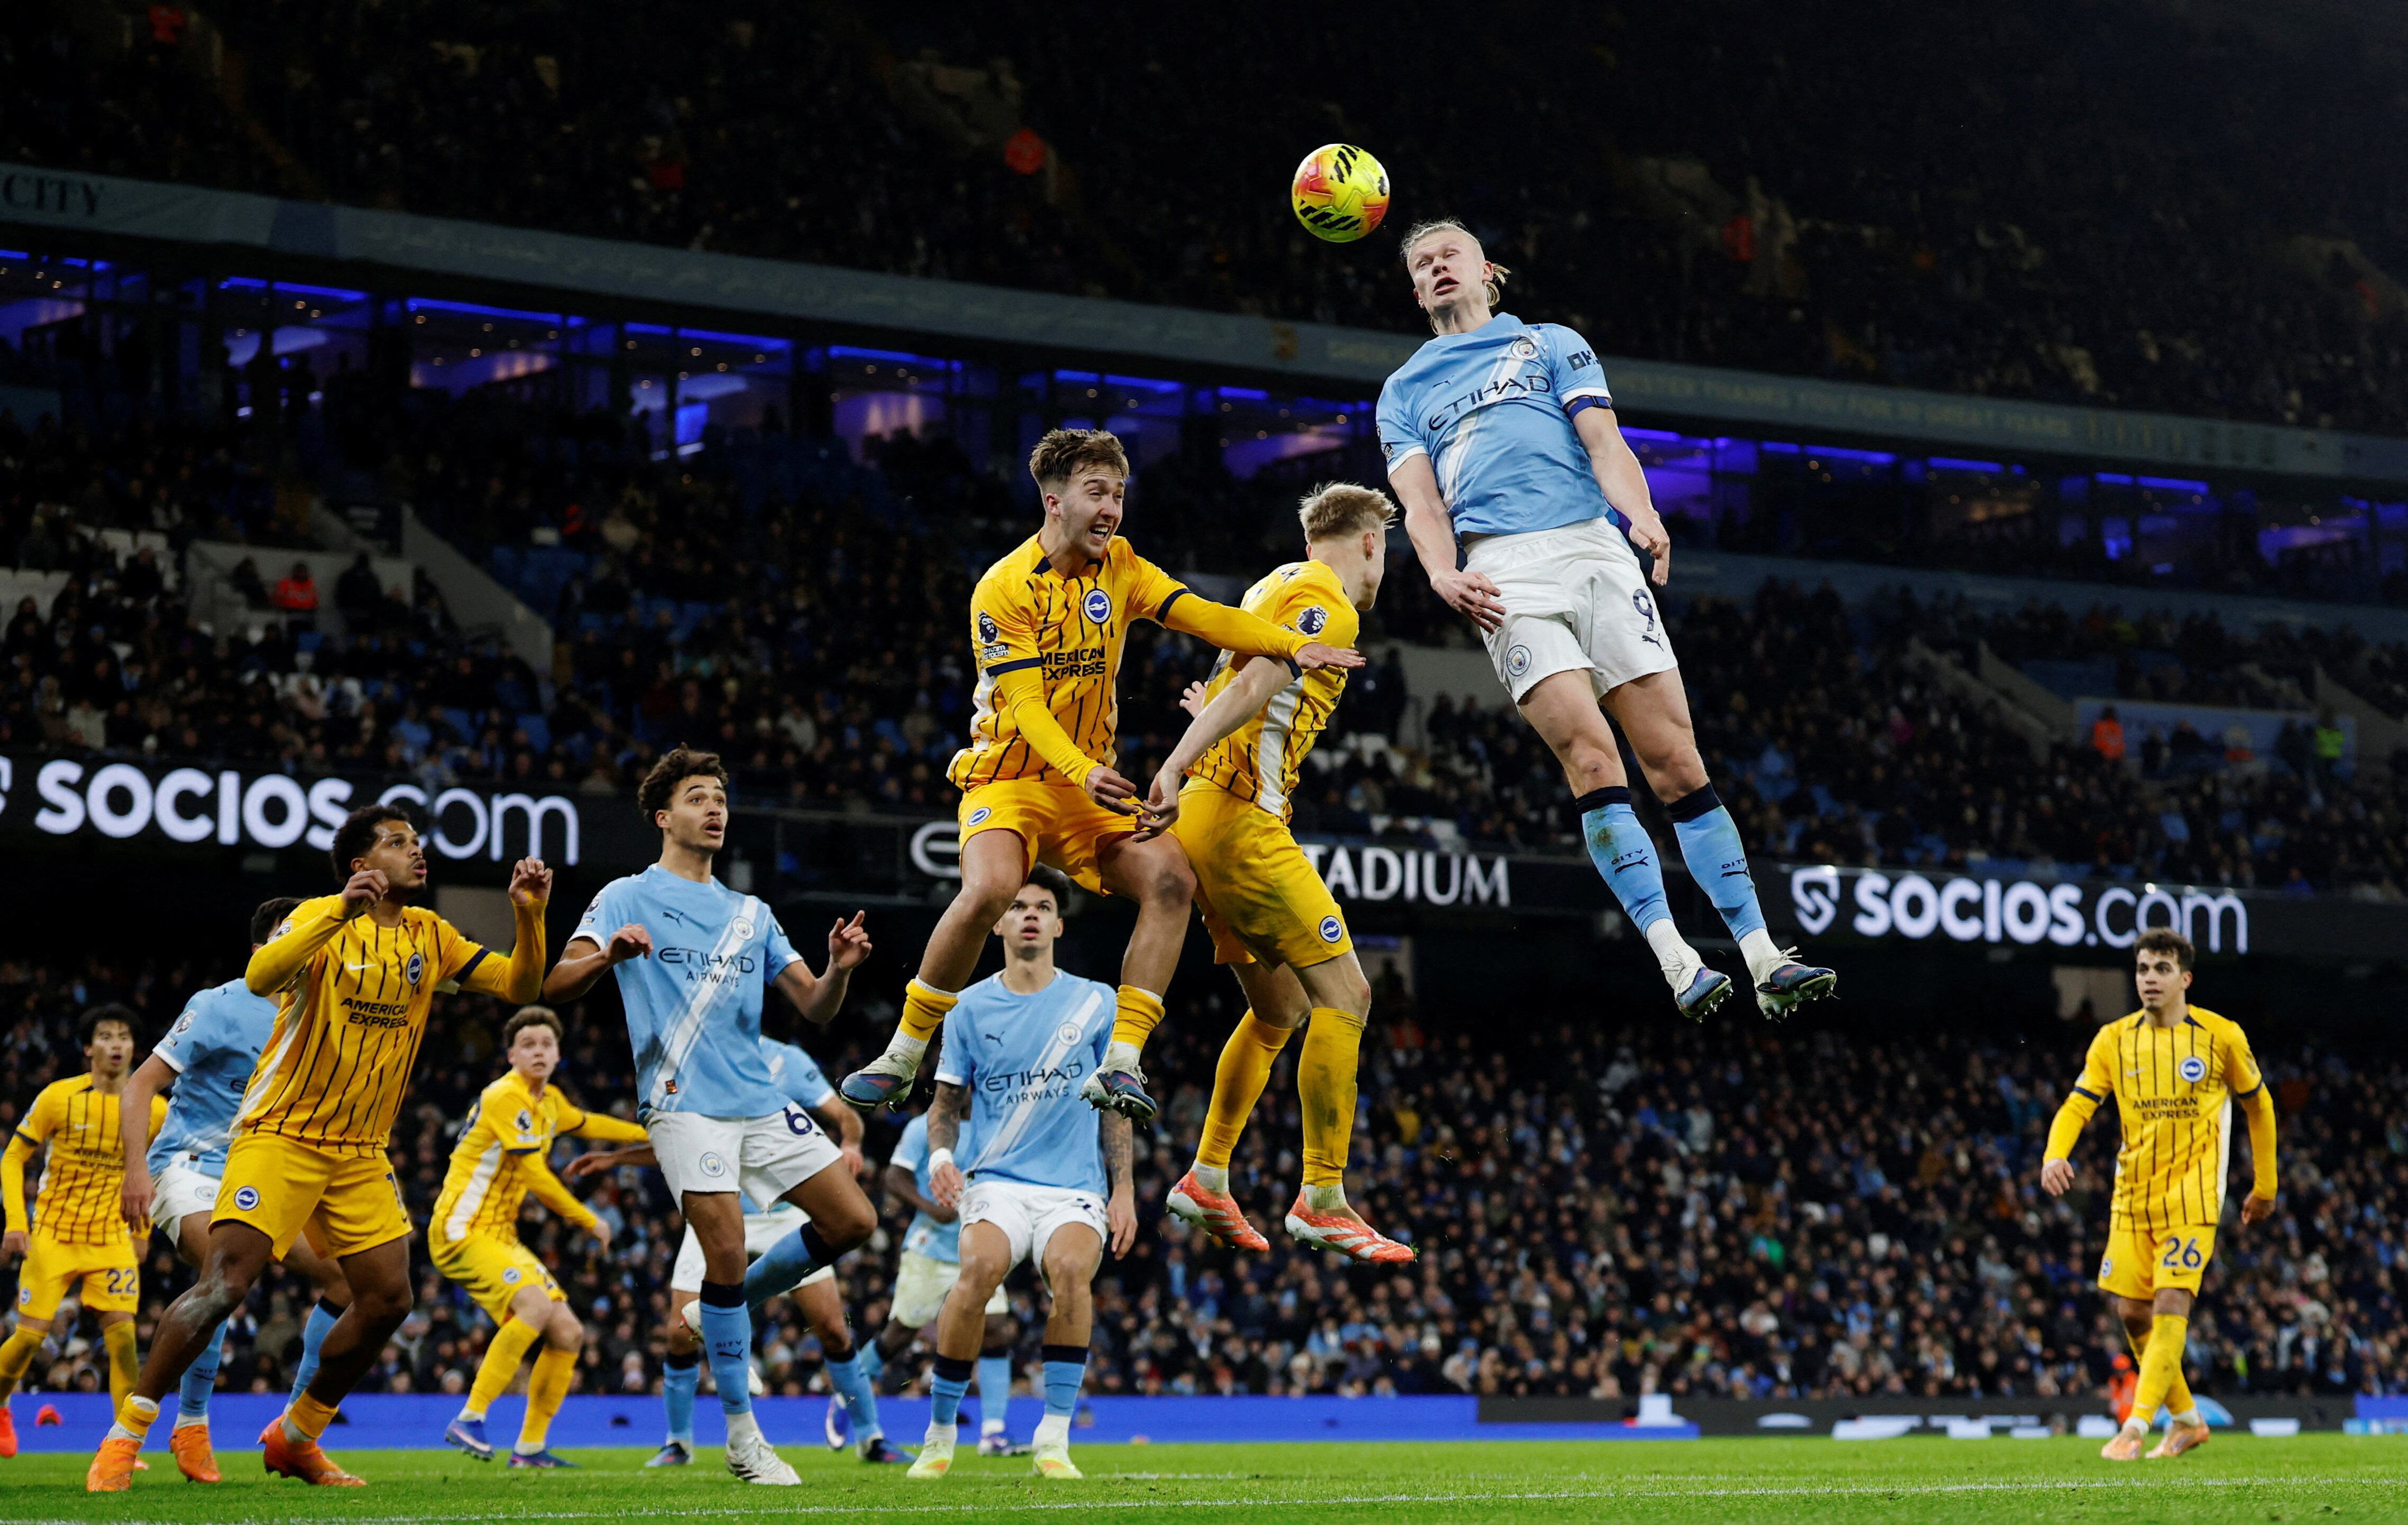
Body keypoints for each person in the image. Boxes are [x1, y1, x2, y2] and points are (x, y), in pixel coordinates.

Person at [1376, 219, 1833, 1021]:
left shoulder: (1550, 344)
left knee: (1675, 762)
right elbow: (1420, 503)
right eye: (1423, 263)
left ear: (1489, 269)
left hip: (1594, 550)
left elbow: (1603, 442)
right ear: (1416, 290)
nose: (1438, 265)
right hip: (1502, 571)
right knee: (1592, 762)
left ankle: (1764, 955)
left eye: (1450, 253)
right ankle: (1676, 960)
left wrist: (1643, 514)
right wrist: (1443, 573)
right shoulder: (1405, 390)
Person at [839, 428, 1364, 1124]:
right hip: (1010, 777)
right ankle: (903, 1054)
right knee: (992, 887)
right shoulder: (1001, 589)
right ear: (1053, 502)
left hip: (1086, 786)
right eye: (1097, 492)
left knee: (1172, 880)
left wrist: (1293, 645)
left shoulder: (1121, 566)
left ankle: (1121, 1062)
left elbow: (1207, 619)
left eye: (1118, 493)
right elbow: (1025, 708)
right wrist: (1084, 770)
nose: (1112, 507)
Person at [86, 804, 550, 1492]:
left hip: (360, 1150)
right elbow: (260, 977)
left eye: (418, 843)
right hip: (278, 1136)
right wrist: (338, 908)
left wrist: (530, 915)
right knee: (225, 1285)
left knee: (388, 1299)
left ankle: (297, 1435)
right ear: (363, 865)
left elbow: (522, 986)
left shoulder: (430, 933)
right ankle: (129, 1434)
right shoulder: (314, 918)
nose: (417, 853)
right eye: (398, 843)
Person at [542, 745, 876, 1486]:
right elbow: (555, 981)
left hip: (757, 1098)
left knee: (854, 1220)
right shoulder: (626, 894)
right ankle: (741, 1439)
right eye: (698, 797)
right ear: (664, 817)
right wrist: (606, 958)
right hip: (680, 1101)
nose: (715, 808)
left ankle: (712, 1312)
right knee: (723, 1254)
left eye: (720, 796)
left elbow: (813, 1007)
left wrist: (839, 971)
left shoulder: (751, 914)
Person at [1141, 482, 1412, 1263]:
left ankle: (1207, 1176)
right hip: (1238, 818)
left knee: (1280, 1008)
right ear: (1369, 542)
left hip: (1209, 809)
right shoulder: (1331, 600)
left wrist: (1202, 724)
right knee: (1348, 996)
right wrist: (1179, 758)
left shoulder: (1274, 584)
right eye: (1383, 549)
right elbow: (1263, 681)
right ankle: (1323, 1196)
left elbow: (1242, 685)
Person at [569, 1033, 904, 1467]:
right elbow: (679, 1142)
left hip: (785, 1210)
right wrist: (616, 1159)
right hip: (717, 1205)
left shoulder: (787, 1059)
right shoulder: (696, 1061)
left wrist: (852, 1143)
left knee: (833, 1328)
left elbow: (845, 1116)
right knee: (677, 1330)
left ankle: (870, 1436)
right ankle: (678, 1442)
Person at [904, 868, 1135, 1481]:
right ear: (999, 922)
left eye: (1041, 907)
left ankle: (1053, 1440)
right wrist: (939, 1158)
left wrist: (1124, 1190)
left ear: (1058, 924)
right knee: (977, 1271)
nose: (1028, 915)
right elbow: (945, 1105)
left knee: (1068, 1273)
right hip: (998, 1180)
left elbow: (1116, 1102)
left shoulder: (1097, 1001)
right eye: (1016, 906)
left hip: (1074, 1188)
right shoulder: (966, 1008)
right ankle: (939, 1434)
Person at [116, 897, 358, 1484]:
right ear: (261, 951)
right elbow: (143, 1083)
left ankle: (296, 1433)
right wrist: (135, 1171)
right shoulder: (220, 1005)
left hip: (271, 1170)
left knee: (345, 1280)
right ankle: (185, 1424)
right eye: (287, 933)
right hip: (194, 1163)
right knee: (223, 1274)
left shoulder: (325, 1010)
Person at [2039, 927, 2277, 1462]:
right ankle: (2189, 1420)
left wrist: (2266, 1186)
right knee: (2132, 1314)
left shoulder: (2221, 1037)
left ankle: (2136, 1425)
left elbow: (2258, 1107)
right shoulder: (2113, 1039)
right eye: (2144, 968)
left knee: (2171, 1301)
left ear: (2185, 978)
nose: (2150, 978)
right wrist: (2056, 1153)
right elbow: (2078, 1105)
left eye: (2162, 969)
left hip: (2192, 1199)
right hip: (2132, 1198)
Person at [431, 1005, 648, 1468]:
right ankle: (470, 1416)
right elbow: (534, 1175)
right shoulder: (504, 1096)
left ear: (558, 1053)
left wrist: (651, 1131)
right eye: (528, 1044)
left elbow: (587, 1123)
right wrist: (589, 1219)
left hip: (500, 1234)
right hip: (460, 1228)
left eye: (547, 1044)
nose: (538, 1051)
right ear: (511, 1054)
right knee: (533, 1304)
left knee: (568, 1332)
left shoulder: (549, 1101)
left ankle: (529, 1448)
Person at [2, 1006, 161, 1460]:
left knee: (124, 1341)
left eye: (124, 1036)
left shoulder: (154, 1109)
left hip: (112, 1236)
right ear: (90, 1048)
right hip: (54, 1233)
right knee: (28, 1340)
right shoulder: (59, 1097)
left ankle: (123, 1444)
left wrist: (142, 1228)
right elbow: (13, 1158)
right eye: (106, 1036)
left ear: (134, 1048)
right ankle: (0, 1405)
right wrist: (17, 1222)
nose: (116, 1044)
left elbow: (151, 1171)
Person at [867, 1108, 1020, 1455]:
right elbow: (894, 1177)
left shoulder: (996, 1122)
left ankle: (993, 1432)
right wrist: (929, 1207)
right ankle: (847, 1396)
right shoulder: (924, 1127)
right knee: (900, 1333)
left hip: (977, 1246)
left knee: (996, 1327)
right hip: (930, 1249)